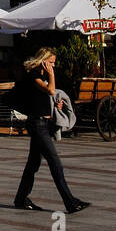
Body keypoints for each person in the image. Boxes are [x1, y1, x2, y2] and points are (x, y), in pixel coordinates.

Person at [14, 48, 90, 214]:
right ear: (43, 60)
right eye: (51, 62)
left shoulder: (39, 76)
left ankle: (20, 199)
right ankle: (70, 202)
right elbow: (51, 90)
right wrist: (52, 76)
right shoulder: (33, 75)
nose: (53, 66)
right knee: (55, 163)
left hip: (44, 124)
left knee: (32, 164)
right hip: (37, 125)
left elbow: (47, 97)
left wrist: (57, 105)